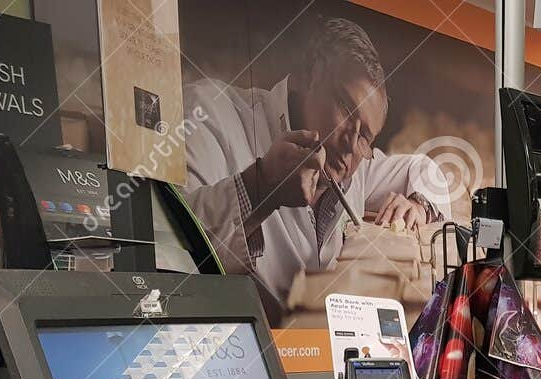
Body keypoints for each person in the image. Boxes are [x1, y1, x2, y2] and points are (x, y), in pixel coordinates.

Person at [184, 17, 449, 314]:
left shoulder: (355, 165)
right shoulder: (210, 112)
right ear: (307, 76)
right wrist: (261, 186)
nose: (351, 144)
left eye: (365, 135)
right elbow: (176, 248)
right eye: (347, 109)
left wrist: (419, 204)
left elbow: (425, 170)